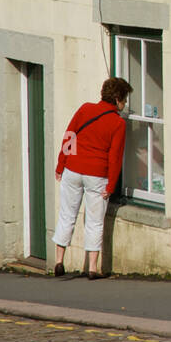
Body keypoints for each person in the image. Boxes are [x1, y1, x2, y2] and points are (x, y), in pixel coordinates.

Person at [52, 77, 131, 278]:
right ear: (117, 98)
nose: (125, 104)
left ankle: (59, 261)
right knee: (95, 222)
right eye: (124, 99)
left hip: (73, 169)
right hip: (97, 175)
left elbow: (69, 135)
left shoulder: (85, 109)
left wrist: (61, 164)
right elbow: (115, 158)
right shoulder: (118, 123)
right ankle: (93, 268)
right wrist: (111, 185)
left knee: (67, 214)